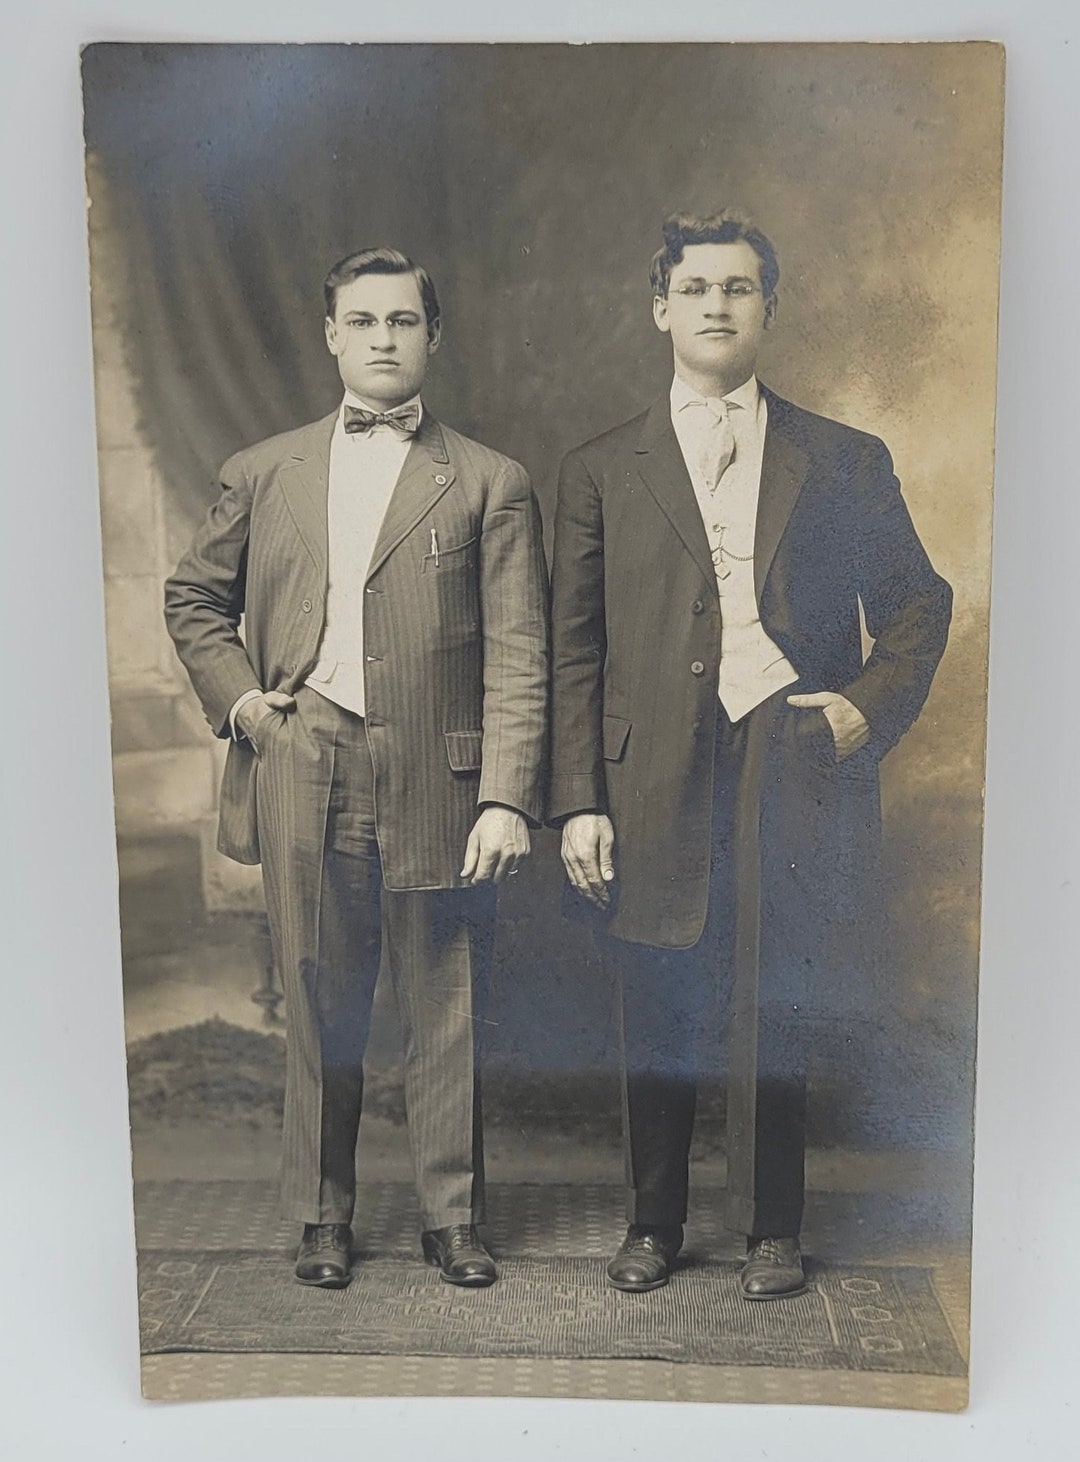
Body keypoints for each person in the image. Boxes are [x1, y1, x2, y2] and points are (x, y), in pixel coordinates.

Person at [548, 210, 951, 1300]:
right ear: (661, 310)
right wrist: (578, 799)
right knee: (659, 988)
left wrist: (859, 711)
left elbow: (919, 605)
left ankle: (774, 1226)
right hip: (648, 771)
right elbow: (572, 648)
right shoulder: (599, 469)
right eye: (695, 288)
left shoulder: (845, 459)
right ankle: (653, 1221)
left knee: (779, 987)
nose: (716, 306)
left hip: (791, 754)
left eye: (738, 287)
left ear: (769, 308)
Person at [165, 247, 548, 1290]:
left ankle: (453, 1217)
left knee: (445, 998)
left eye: (404, 320)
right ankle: (322, 1216)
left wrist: (507, 794)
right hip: (307, 757)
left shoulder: (491, 481)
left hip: (442, 776)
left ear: (434, 336)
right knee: (317, 991)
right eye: (364, 320)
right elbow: (193, 599)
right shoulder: (264, 470)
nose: (384, 338)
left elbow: (520, 651)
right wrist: (248, 705)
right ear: (332, 335)